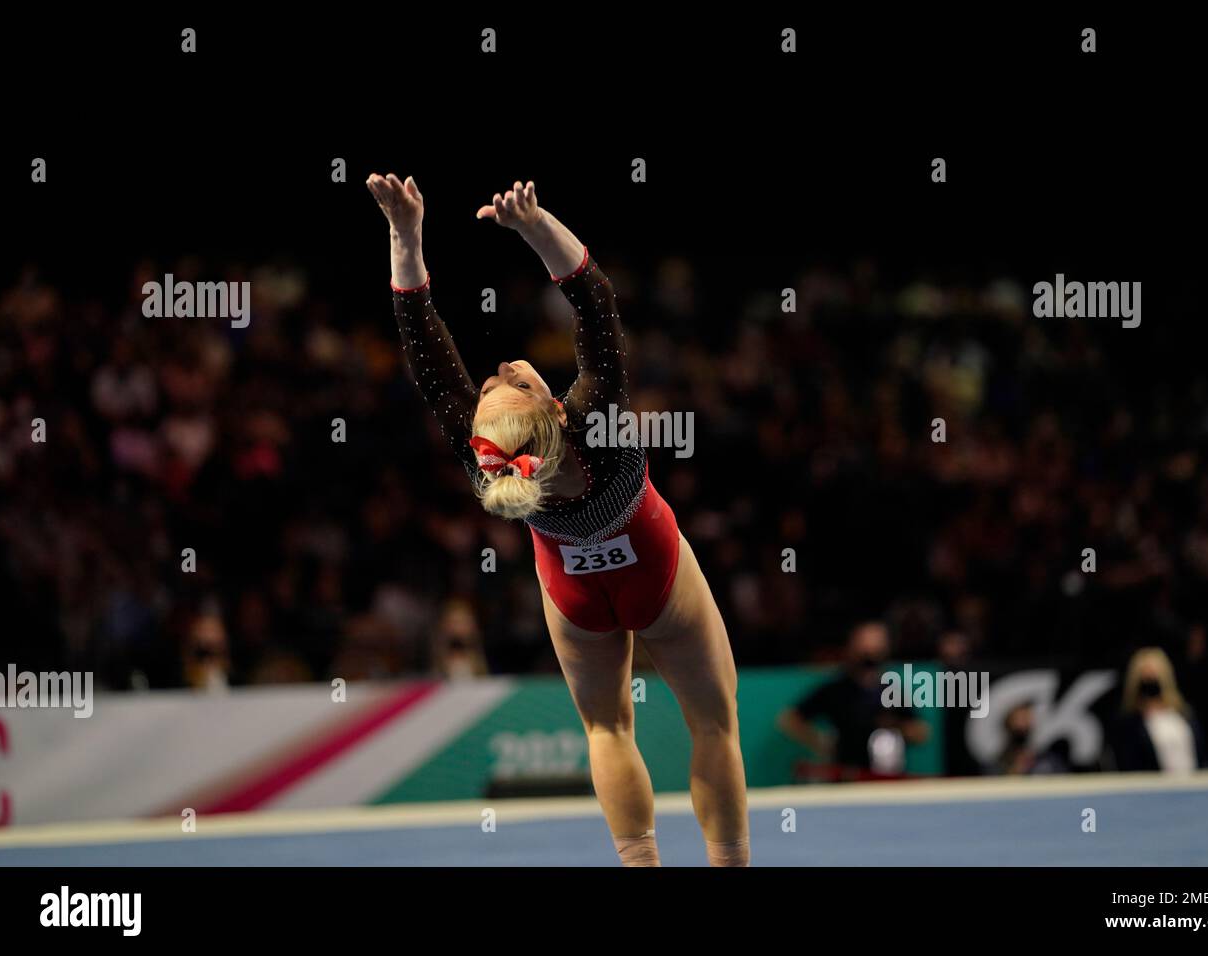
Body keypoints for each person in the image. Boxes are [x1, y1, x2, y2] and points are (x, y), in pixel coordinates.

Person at [366, 174, 748, 866]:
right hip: (651, 559)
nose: (501, 367)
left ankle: (639, 861)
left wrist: (406, 236)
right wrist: (535, 225)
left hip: (571, 591)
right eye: (507, 380)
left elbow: (425, 353)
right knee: (715, 724)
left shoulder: (482, 455)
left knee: (606, 726)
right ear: (547, 408)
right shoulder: (592, 417)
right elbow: (593, 299)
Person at [777, 621, 929, 776]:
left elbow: (921, 732)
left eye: (876, 647)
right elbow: (789, 719)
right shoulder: (836, 690)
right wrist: (821, 742)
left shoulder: (892, 691)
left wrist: (894, 726)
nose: (870, 653)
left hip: (887, 778)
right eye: (864, 647)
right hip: (849, 778)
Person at [1111, 647, 1206, 773]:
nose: (1150, 682)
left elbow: (1203, 755)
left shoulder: (1184, 713)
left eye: (1155, 676)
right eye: (1145, 677)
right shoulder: (1130, 722)